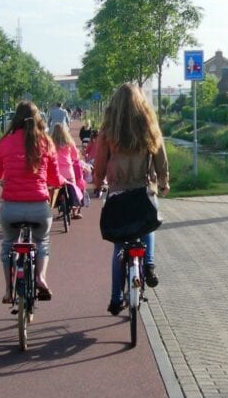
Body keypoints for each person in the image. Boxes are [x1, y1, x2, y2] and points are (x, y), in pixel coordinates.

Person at [92, 83, 170, 316]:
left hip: (118, 192)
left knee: (119, 245)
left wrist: (98, 183)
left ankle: (116, 298)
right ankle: (149, 265)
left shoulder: (108, 129)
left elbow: (100, 162)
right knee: (150, 220)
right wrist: (164, 181)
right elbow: (160, 154)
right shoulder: (148, 125)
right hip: (143, 188)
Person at [0, 100, 61, 303]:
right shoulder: (46, 142)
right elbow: (54, 179)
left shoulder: (5, 142)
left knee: (8, 245)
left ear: (15, 119)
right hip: (39, 207)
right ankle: (40, 278)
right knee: (42, 242)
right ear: (38, 118)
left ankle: (8, 291)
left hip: (12, 208)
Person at [50, 123, 86, 219]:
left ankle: (59, 207)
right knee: (73, 189)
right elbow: (75, 156)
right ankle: (75, 212)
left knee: (55, 189)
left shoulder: (51, 143)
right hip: (68, 171)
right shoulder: (69, 142)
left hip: (57, 172)